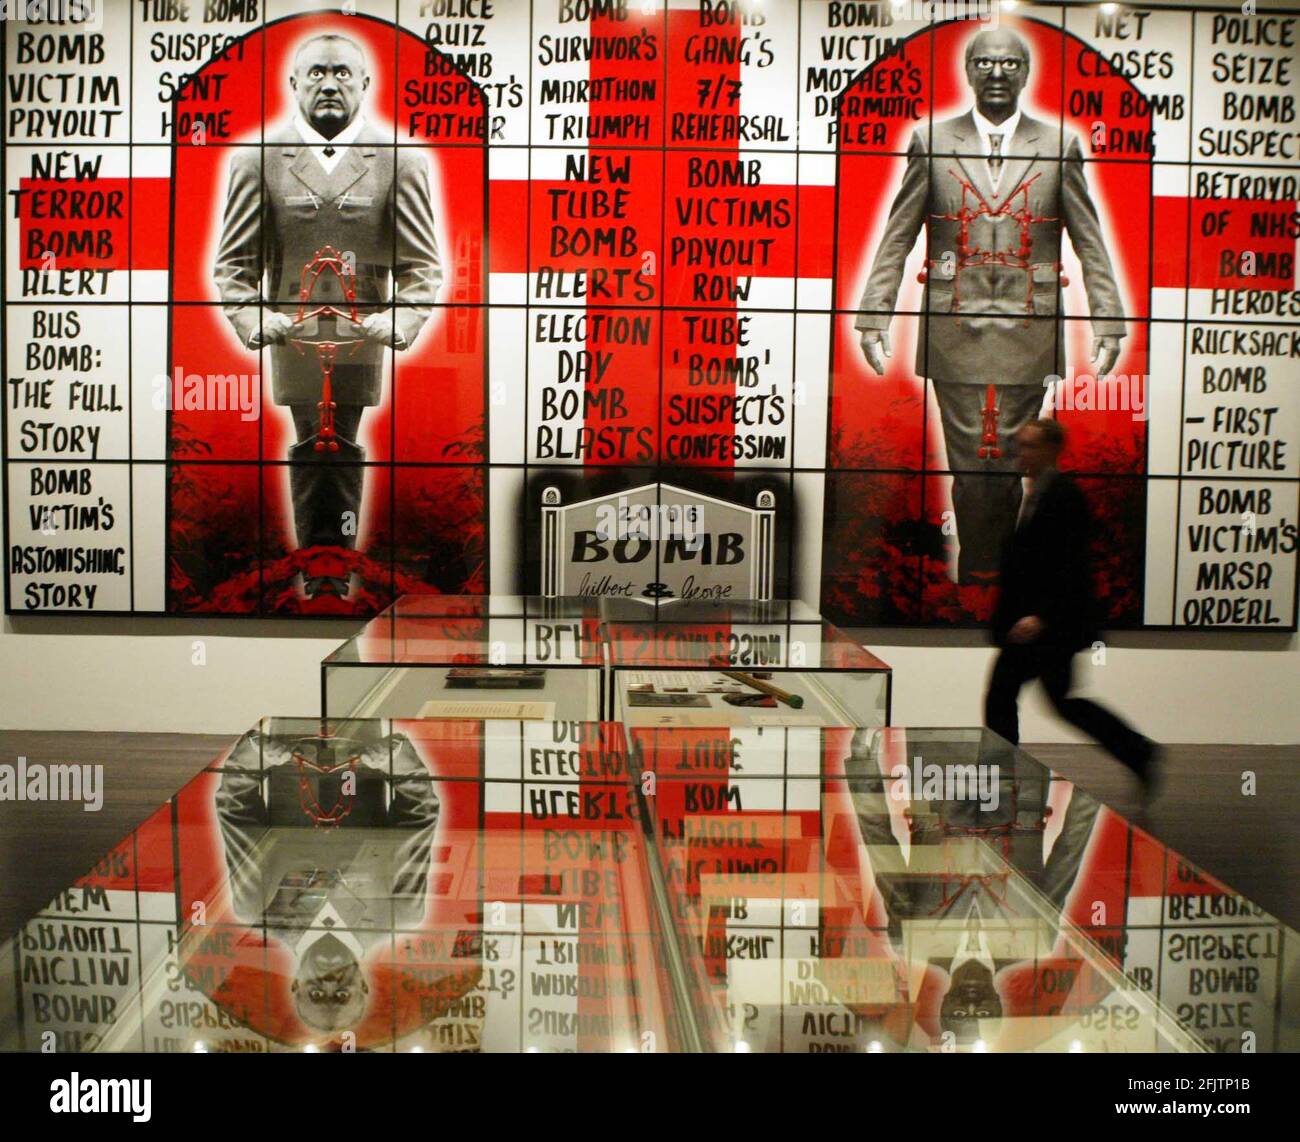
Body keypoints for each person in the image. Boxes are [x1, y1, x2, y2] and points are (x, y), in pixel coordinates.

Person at [855, 27, 1125, 583]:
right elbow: (899, 234)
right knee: (971, 461)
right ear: (969, 71)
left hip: (1030, 326)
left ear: (1026, 73)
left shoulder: (1059, 144)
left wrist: (1109, 320)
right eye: (985, 62)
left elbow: (1090, 239)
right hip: (954, 329)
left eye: (1009, 63)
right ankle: (981, 571)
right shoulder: (932, 140)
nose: (997, 72)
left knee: (1009, 460)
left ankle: (999, 573)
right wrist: (874, 314)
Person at [214, 33, 442, 598]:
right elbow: (233, 264)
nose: (329, 84)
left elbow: (423, 266)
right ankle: (322, 568)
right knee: (312, 439)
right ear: (293, 85)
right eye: (315, 73)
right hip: (294, 340)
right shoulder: (259, 160)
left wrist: (405, 319)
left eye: (342, 72)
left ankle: (332, 566)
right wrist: (249, 318)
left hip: (361, 340)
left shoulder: (399, 162)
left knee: (340, 439)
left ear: (366, 84)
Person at [985, 419, 1160, 796]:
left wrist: (1040, 616)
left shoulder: (1063, 496)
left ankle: (999, 782)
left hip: (1048, 627)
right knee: (1058, 702)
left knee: (1004, 696)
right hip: (1041, 625)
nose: (1022, 454)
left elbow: (1069, 564)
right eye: (1020, 446)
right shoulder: (1037, 492)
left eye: (1029, 446)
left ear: (1051, 450)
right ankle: (1137, 750)